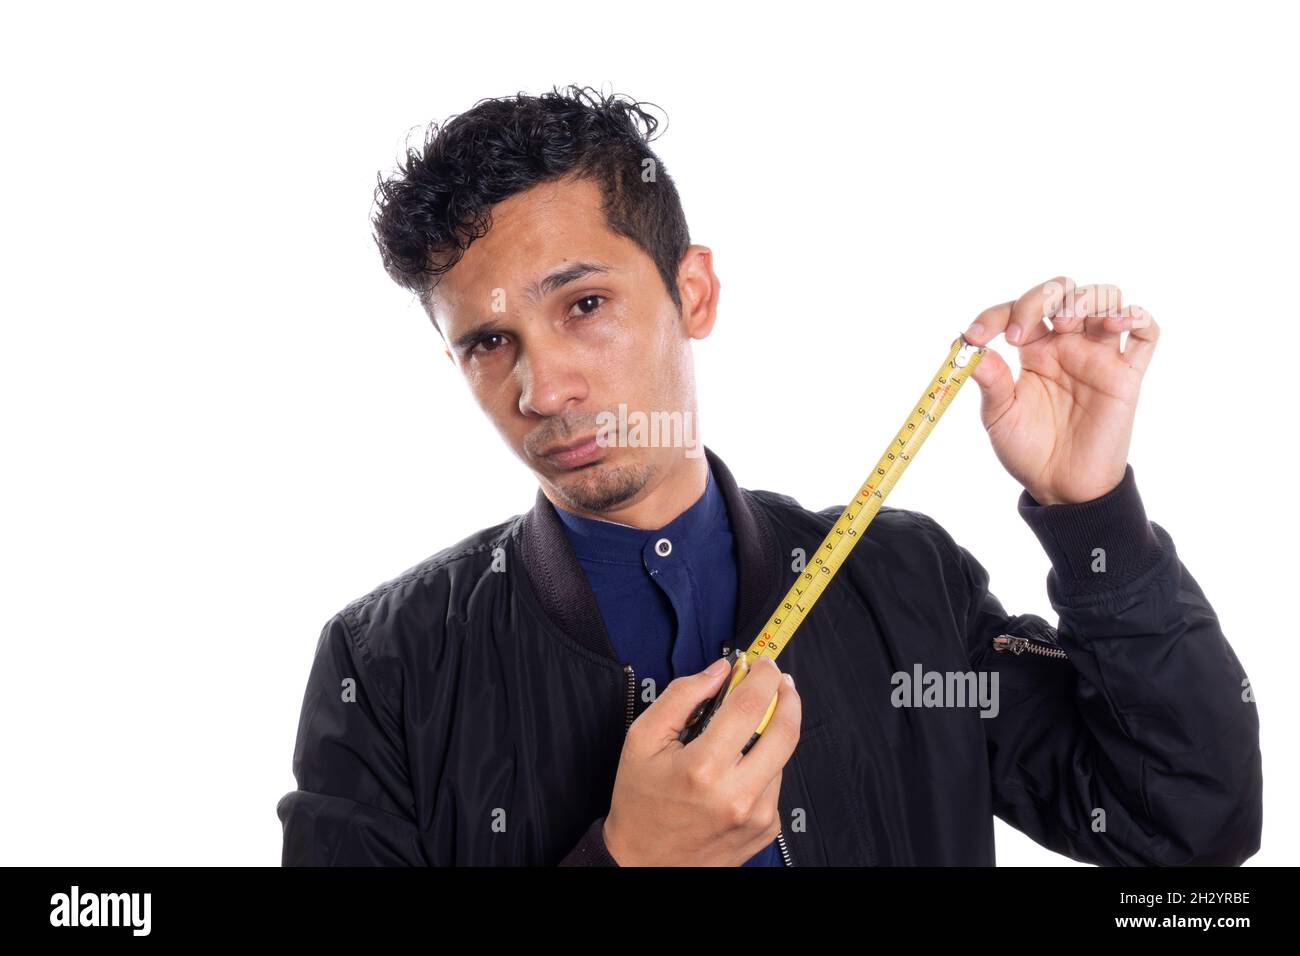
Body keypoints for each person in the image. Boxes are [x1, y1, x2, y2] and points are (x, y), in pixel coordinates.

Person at [275, 85, 1262, 866]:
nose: (542, 386)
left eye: (581, 303)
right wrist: (627, 862)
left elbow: (1185, 823)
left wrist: (1091, 512)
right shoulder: (388, 666)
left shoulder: (903, 584)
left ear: (690, 291)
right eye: (490, 341)